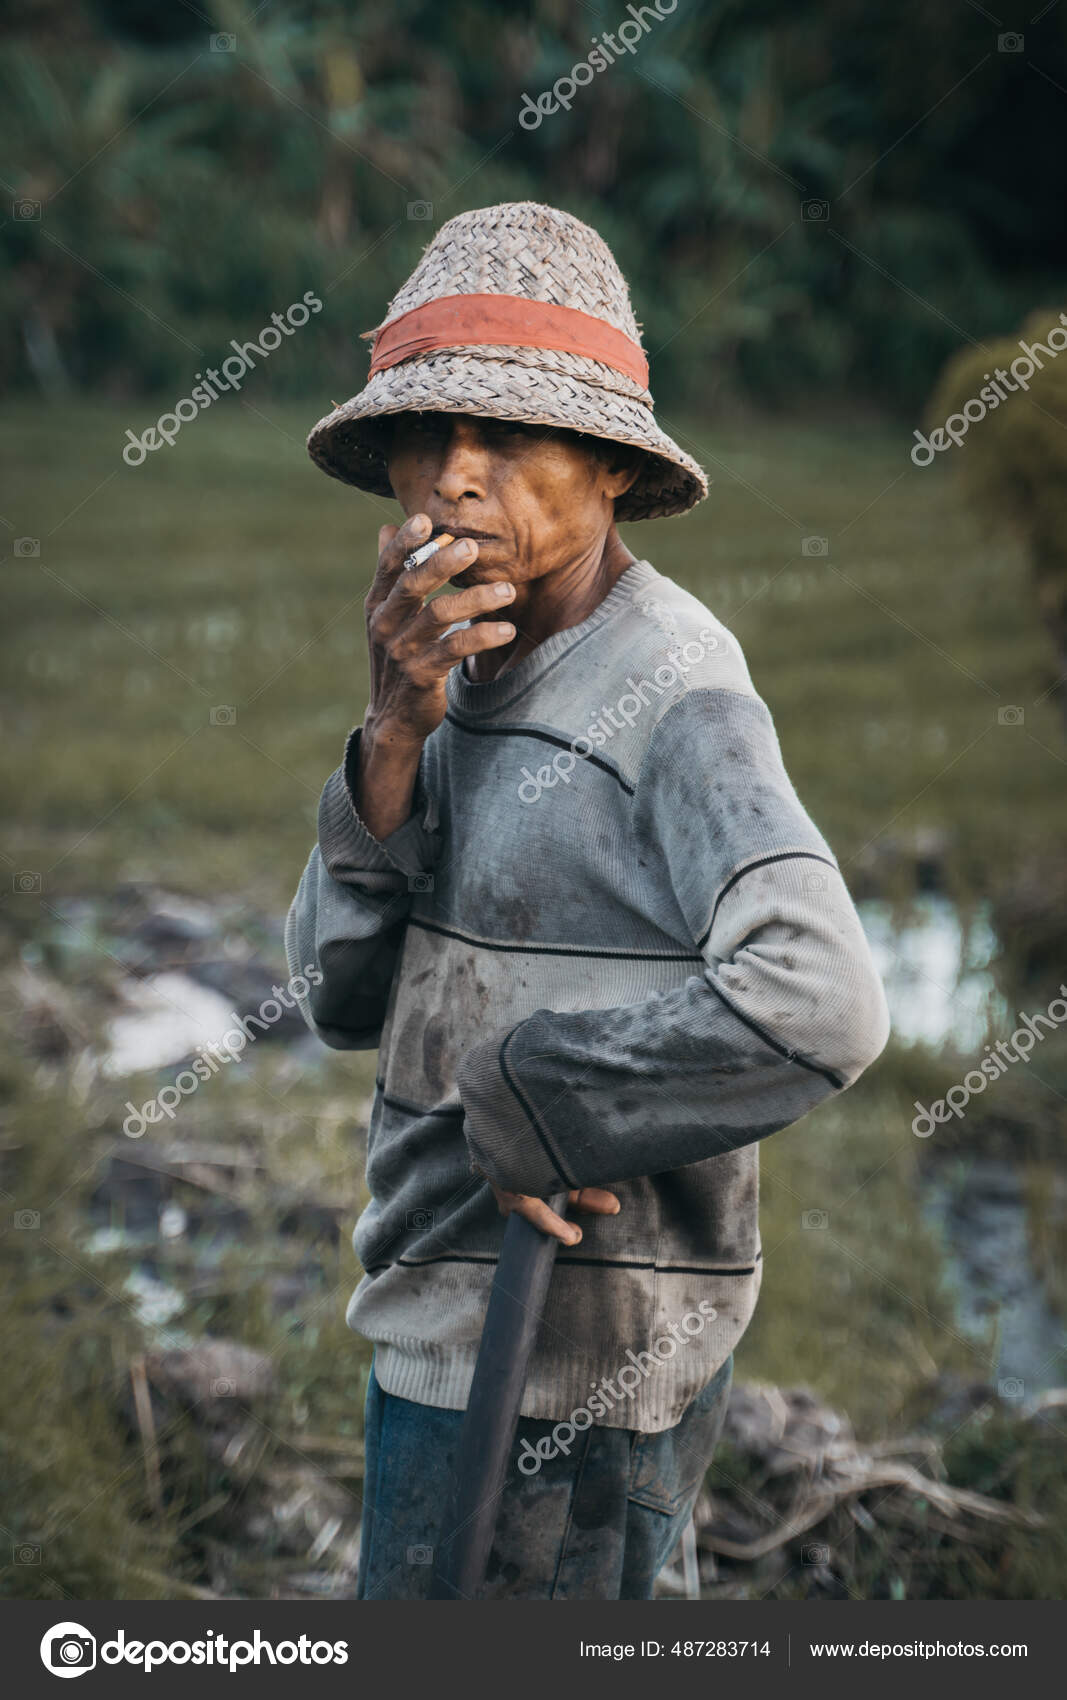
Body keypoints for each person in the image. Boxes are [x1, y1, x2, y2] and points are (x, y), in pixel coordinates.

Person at [286, 200, 890, 1599]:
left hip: (576, 1372)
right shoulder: (451, 671)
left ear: (615, 467)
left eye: (508, 438)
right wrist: (390, 736)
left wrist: (542, 1101)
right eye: (425, 438)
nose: (454, 480)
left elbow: (823, 1000)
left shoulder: (674, 695)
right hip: (440, 1324)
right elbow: (338, 997)